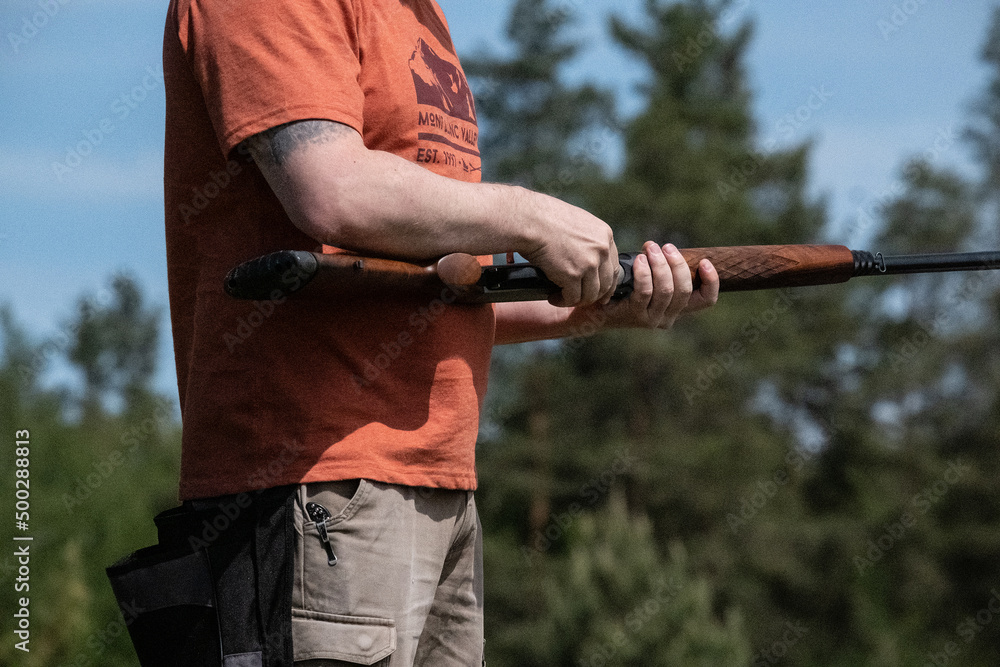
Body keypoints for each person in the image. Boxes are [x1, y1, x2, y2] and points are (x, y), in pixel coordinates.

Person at [158, 0, 719, 664]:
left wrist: (601, 306)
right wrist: (530, 217)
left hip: (437, 488)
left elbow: (443, 296)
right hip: (318, 483)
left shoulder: (420, 17)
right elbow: (330, 189)